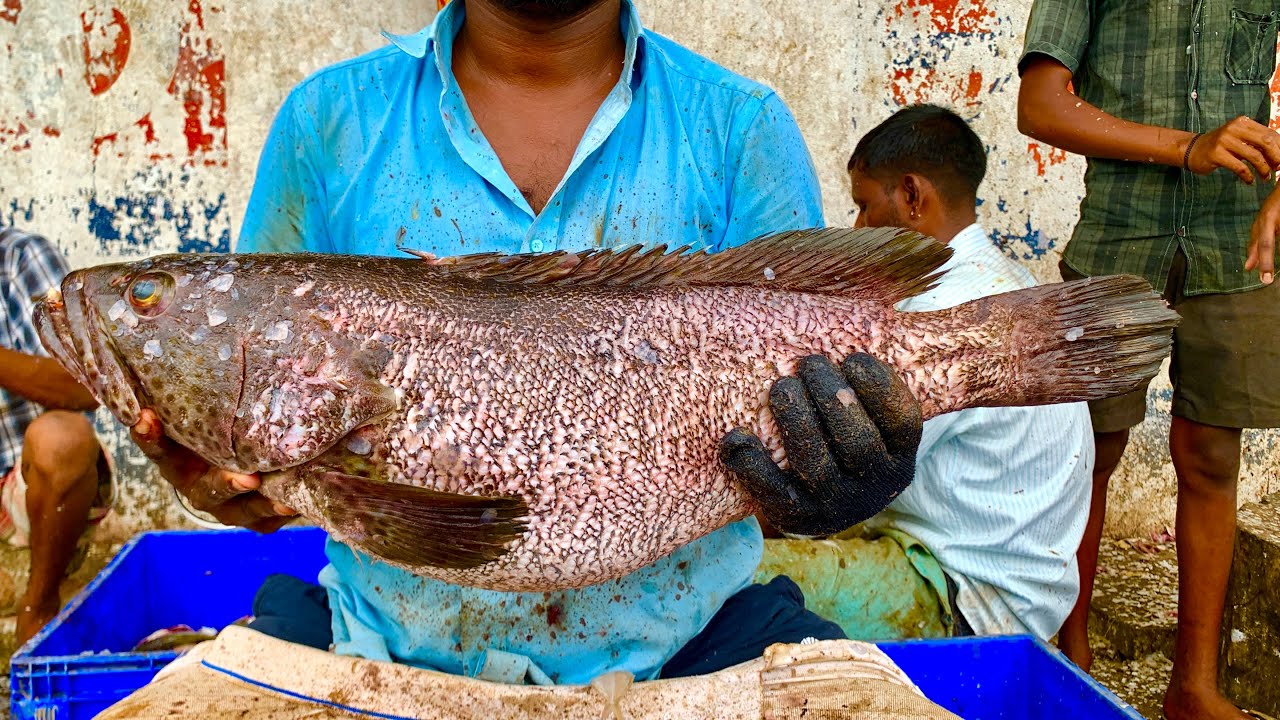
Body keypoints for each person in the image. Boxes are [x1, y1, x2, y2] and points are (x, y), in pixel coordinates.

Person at [128, 0, 926, 685]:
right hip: (381, 648)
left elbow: (792, 419)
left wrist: (836, 475)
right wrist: (230, 483)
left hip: (695, 644)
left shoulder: (738, 127)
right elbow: (268, 436)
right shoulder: (327, 122)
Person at [739, 104, 1094, 642]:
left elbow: (838, 474)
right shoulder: (1009, 285)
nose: (857, 227)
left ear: (911, 195)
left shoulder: (940, 315)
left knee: (714, 587)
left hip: (965, 594)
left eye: (864, 206)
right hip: (1016, 587)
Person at [1017, 3, 1280, 717]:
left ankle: (1193, 687)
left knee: (1212, 456)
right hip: (1117, 237)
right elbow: (1040, 105)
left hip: (1233, 246)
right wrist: (1189, 146)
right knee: (1088, 452)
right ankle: (1070, 661)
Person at [0, 225, 115, 646]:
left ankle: (39, 605)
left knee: (62, 438)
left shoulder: (21, 257)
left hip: (20, 486)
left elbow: (83, 386)